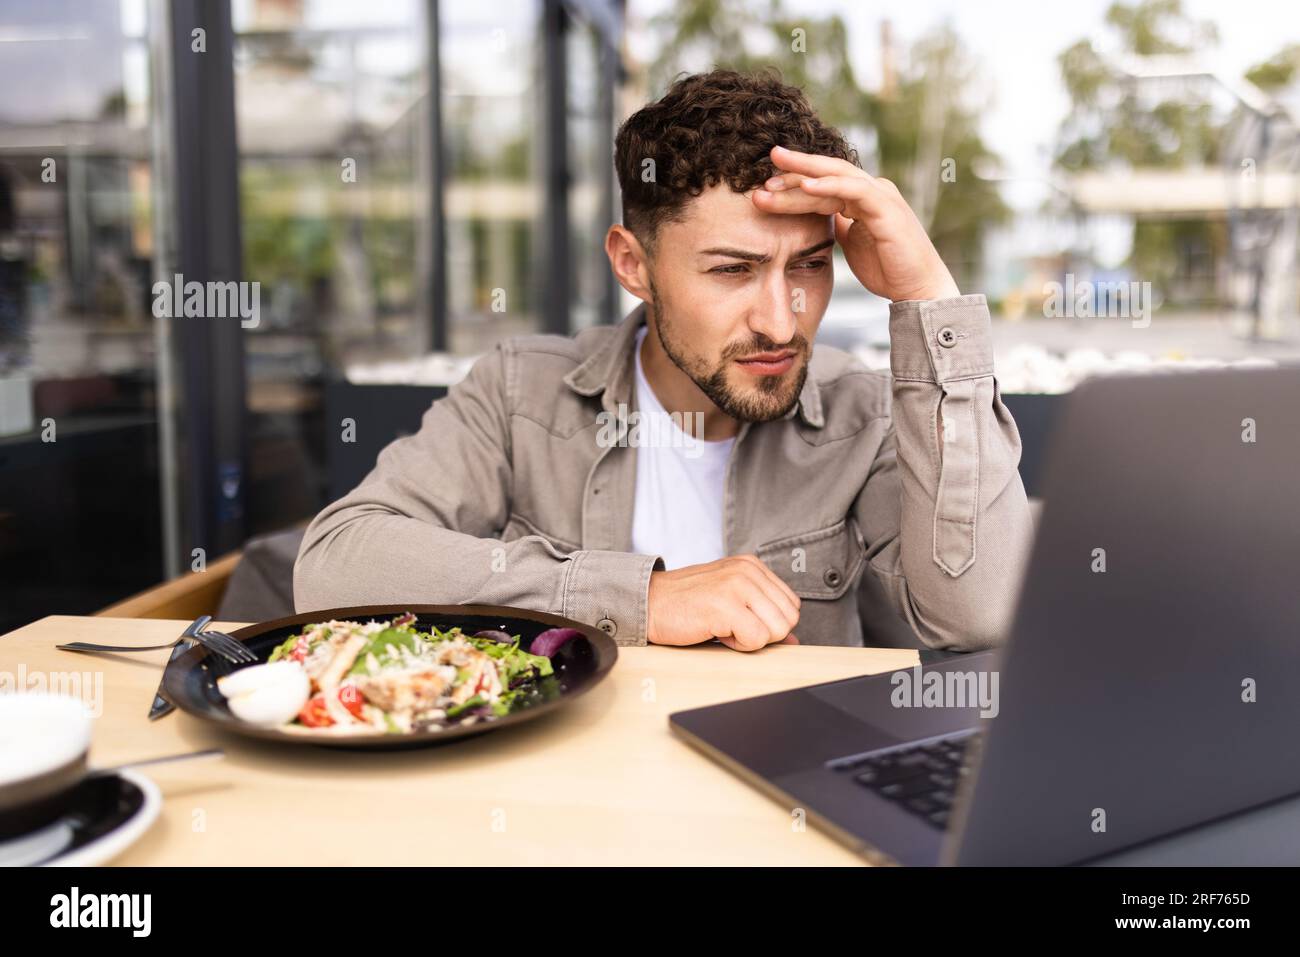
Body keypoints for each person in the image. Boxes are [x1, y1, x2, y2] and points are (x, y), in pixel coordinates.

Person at [295, 69, 1034, 652]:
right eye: (731, 270)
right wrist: (637, 599)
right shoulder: (522, 393)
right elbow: (335, 564)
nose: (783, 320)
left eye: (808, 265)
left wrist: (926, 295)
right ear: (633, 264)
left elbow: (979, 611)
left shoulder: (863, 413)